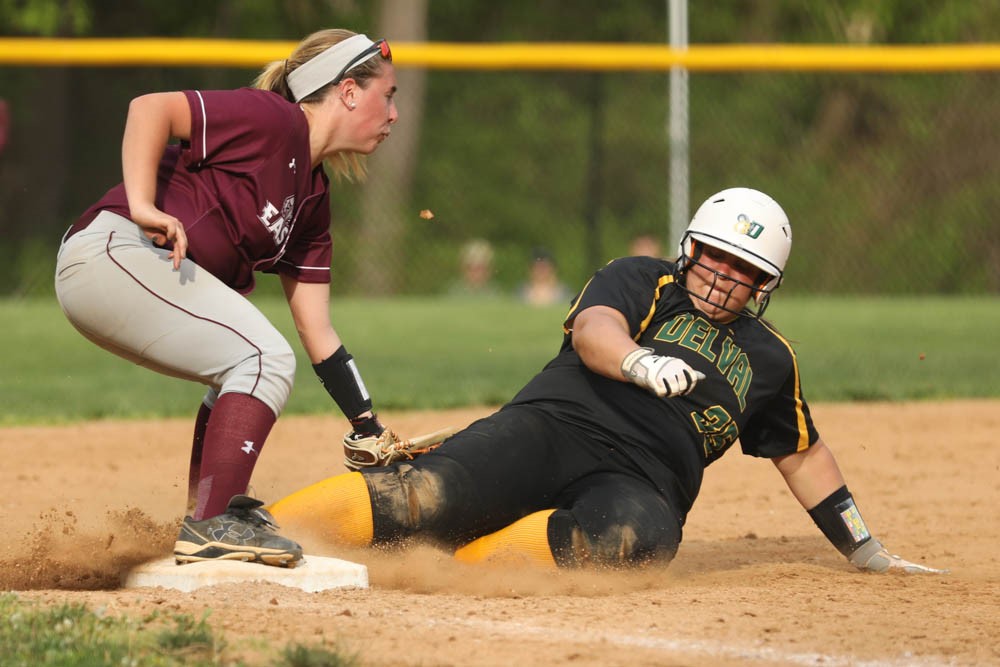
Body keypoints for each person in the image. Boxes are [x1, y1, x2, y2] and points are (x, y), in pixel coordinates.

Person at [266, 187, 945, 575]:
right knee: (429, 492)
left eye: (744, 269)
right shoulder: (644, 276)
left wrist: (864, 547)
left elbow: (803, 452)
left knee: (632, 543)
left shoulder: (770, 358)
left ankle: (451, 570)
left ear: (766, 285)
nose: (722, 274)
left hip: (647, 482)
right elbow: (593, 329)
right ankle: (258, 529)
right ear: (691, 247)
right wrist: (639, 361)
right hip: (555, 426)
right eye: (715, 255)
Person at [54, 29, 401, 568]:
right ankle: (215, 524)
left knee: (243, 364)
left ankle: (207, 514)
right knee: (261, 355)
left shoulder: (312, 200)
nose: (394, 114)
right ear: (350, 91)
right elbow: (150, 109)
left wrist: (369, 427)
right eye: (390, 94)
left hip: (136, 275)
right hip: (113, 252)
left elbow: (318, 331)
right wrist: (144, 204)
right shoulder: (273, 119)